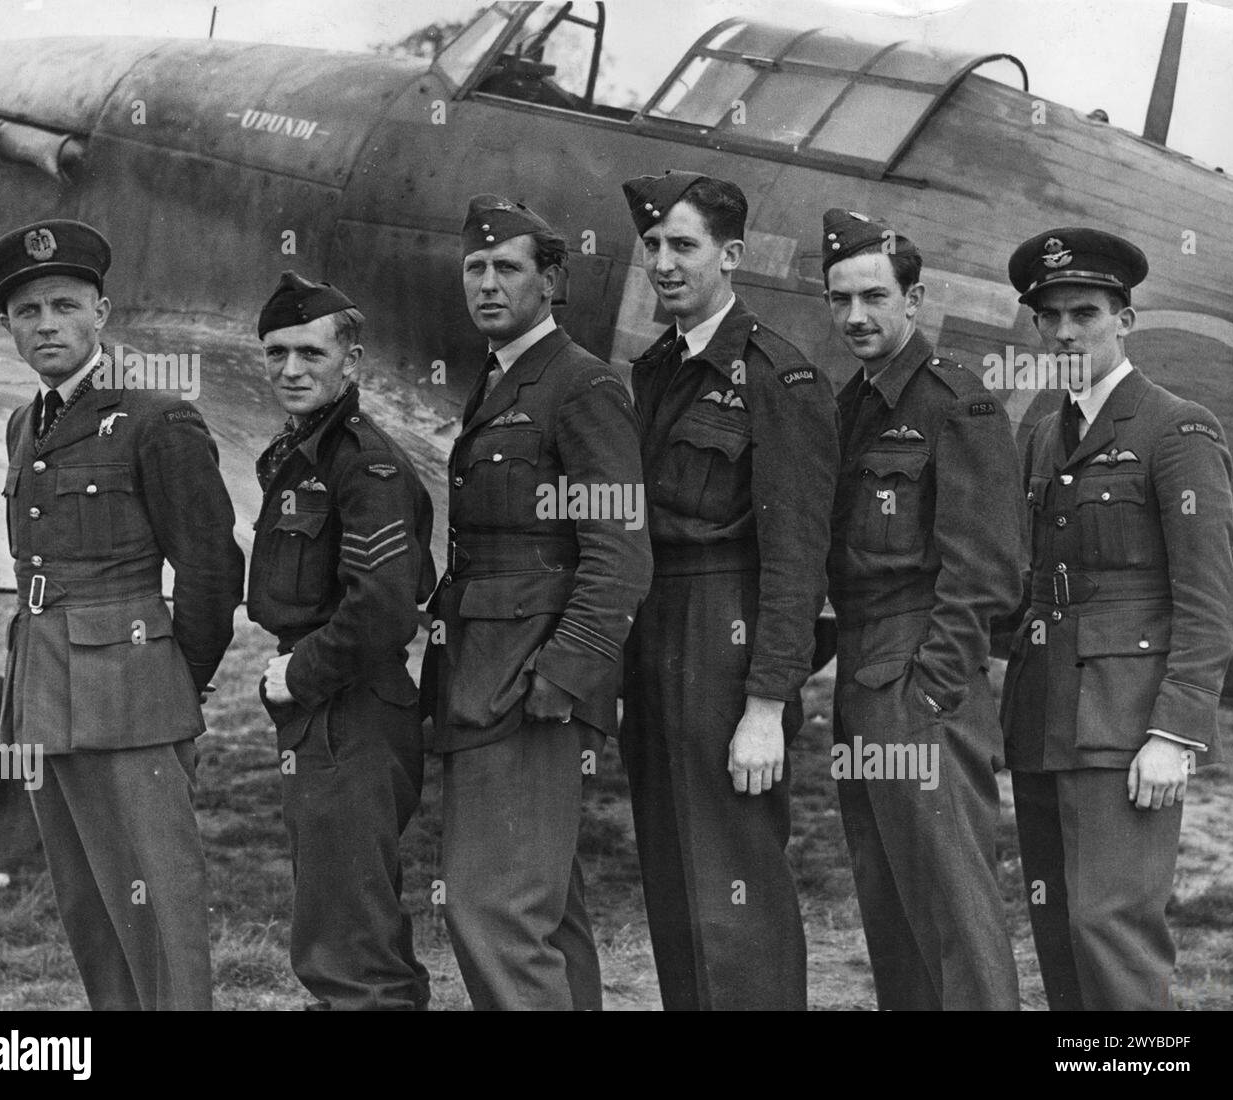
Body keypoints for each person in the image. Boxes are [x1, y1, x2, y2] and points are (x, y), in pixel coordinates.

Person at [0, 219, 243, 1010]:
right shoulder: (28, 423)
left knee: (158, 905)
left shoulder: (160, 418)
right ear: (9, 326)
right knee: (89, 905)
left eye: (65, 305)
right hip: (44, 688)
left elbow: (210, 568)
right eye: (28, 312)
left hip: (132, 691)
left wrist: (170, 677)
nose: (47, 324)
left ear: (103, 313)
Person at [420, 194, 652, 1010]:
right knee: (544, 915)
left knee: (495, 910)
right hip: (486, 677)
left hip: (527, 688)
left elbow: (620, 549)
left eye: (507, 267)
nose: (487, 284)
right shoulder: (504, 378)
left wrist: (564, 674)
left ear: (550, 279)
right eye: (475, 268)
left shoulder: (581, 386)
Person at [1001, 227, 1233, 1010]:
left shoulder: (1178, 430)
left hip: (1128, 724)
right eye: (1051, 317)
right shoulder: (1045, 433)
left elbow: (1209, 605)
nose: (1067, 332)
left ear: (1125, 319)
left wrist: (1175, 734)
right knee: (1060, 925)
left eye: (1087, 313)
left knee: (1112, 926)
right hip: (1046, 716)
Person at [618, 171, 838, 1011]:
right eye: (653, 248)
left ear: (731, 256)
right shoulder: (658, 368)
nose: (663, 264)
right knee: (674, 883)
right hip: (657, 639)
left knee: (736, 887)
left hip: (728, 642)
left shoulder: (778, 378)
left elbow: (797, 560)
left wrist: (765, 705)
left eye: (684, 246)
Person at [823, 207, 1023, 1010]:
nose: (856, 317)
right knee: (890, 896)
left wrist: (933, 686)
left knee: (951, 901)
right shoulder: (854, 405)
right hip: (865, 677)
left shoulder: (958, 405)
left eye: (875, 296)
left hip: (918, 676)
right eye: (840, 300)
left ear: (915, 299)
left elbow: (986, 572)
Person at [248, 271, 434, 1010]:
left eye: (311, 354)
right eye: (275, 353)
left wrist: (298, 677)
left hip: (349, 710)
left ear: (351, 361)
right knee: (348, 927)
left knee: (349, 950)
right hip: (331, 711)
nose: (290, 370)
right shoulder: (304, 450)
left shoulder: (366, 464)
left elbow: (385, 608)